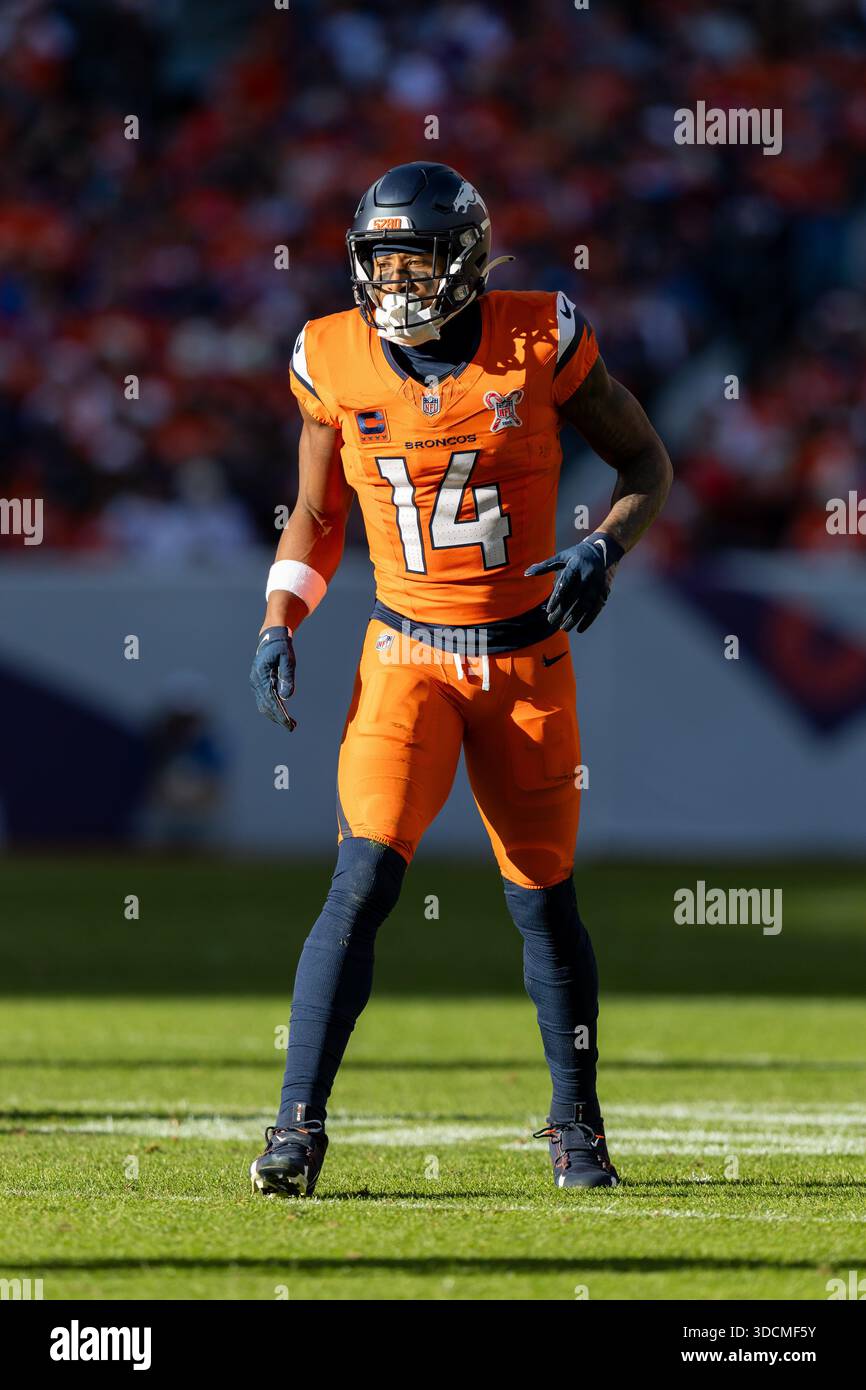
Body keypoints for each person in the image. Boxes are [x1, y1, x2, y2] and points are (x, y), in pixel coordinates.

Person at [248, 162, 672, 1196]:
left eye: (418, 258)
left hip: (525, 659)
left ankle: (576, 1127)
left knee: (540, 898)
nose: (395, 280)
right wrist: (278, 614)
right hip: (404, 659)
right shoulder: (328, 356)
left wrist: (602, 550)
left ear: (468, 261)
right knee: (360, 882)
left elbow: (643, 466)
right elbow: (315, 513)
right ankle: (294, 1129)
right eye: (381, 258)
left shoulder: (539, 337)